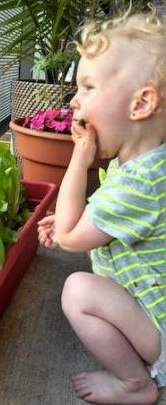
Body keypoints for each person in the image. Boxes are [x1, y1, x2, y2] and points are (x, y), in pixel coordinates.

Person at [37, 7, 166, 405]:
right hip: (155, 306)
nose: (75, 101)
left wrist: (79, 156)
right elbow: (103, 224)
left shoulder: (138, 182)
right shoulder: (148, 164)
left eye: (88, 87)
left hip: (161, 331)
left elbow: (72, 238)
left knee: (78, 291)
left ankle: (136, 384)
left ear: (140, 104)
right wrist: (73, 222)